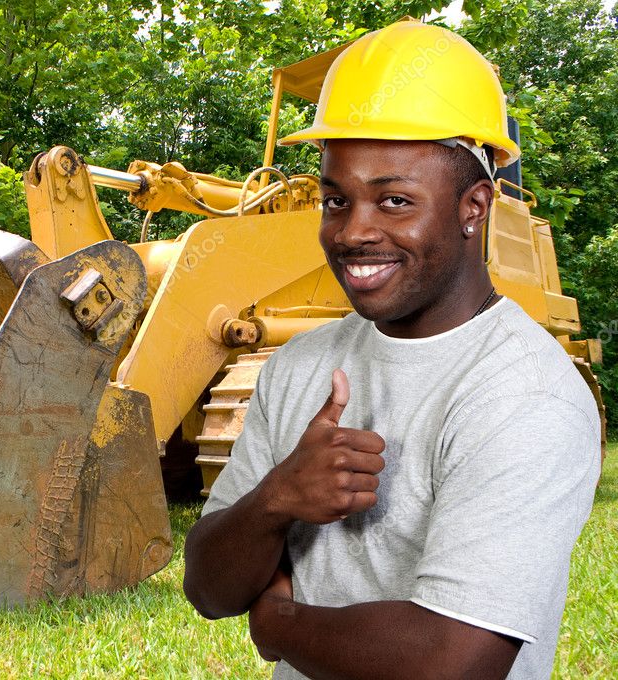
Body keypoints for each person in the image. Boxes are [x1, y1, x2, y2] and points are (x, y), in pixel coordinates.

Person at [182, 21, 600, 680]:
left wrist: (281, 625)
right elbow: (208, 588)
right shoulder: (300, 366)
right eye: (334, 200)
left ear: (473, 206)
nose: (352, 232)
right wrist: (276, 498)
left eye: (394, 201)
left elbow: (452, 663)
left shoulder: (527, 396)